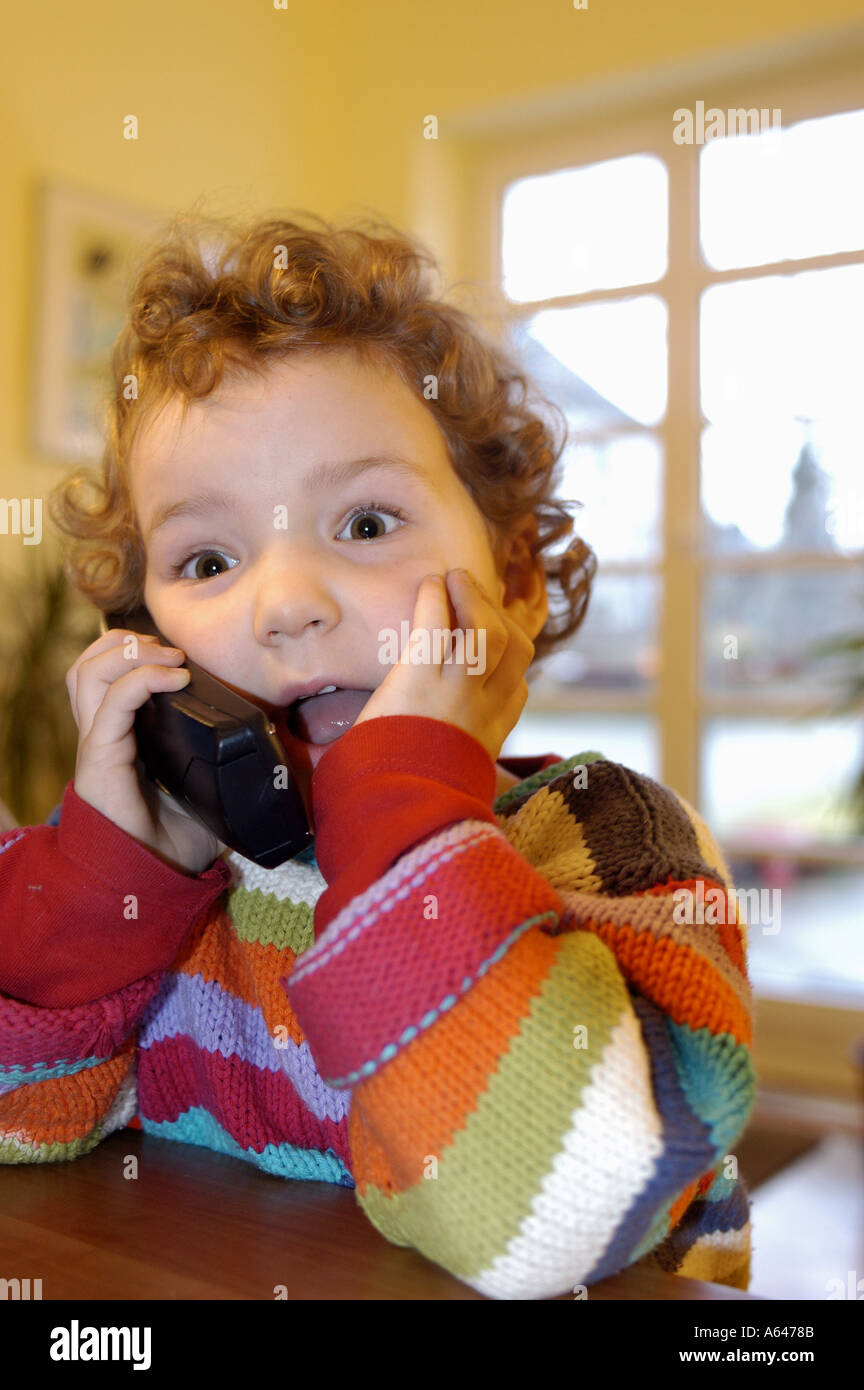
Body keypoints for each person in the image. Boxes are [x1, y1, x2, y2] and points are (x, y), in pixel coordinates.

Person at [0, 210, 755, 1299]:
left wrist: (400, 806)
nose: (287, 606)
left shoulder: (612, 845)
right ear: (148, 641)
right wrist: (99, 881)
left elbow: (552, 1214)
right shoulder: (164, 889)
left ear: (514, 578)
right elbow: (24, 1123)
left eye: (363, 524)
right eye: (208, 556)